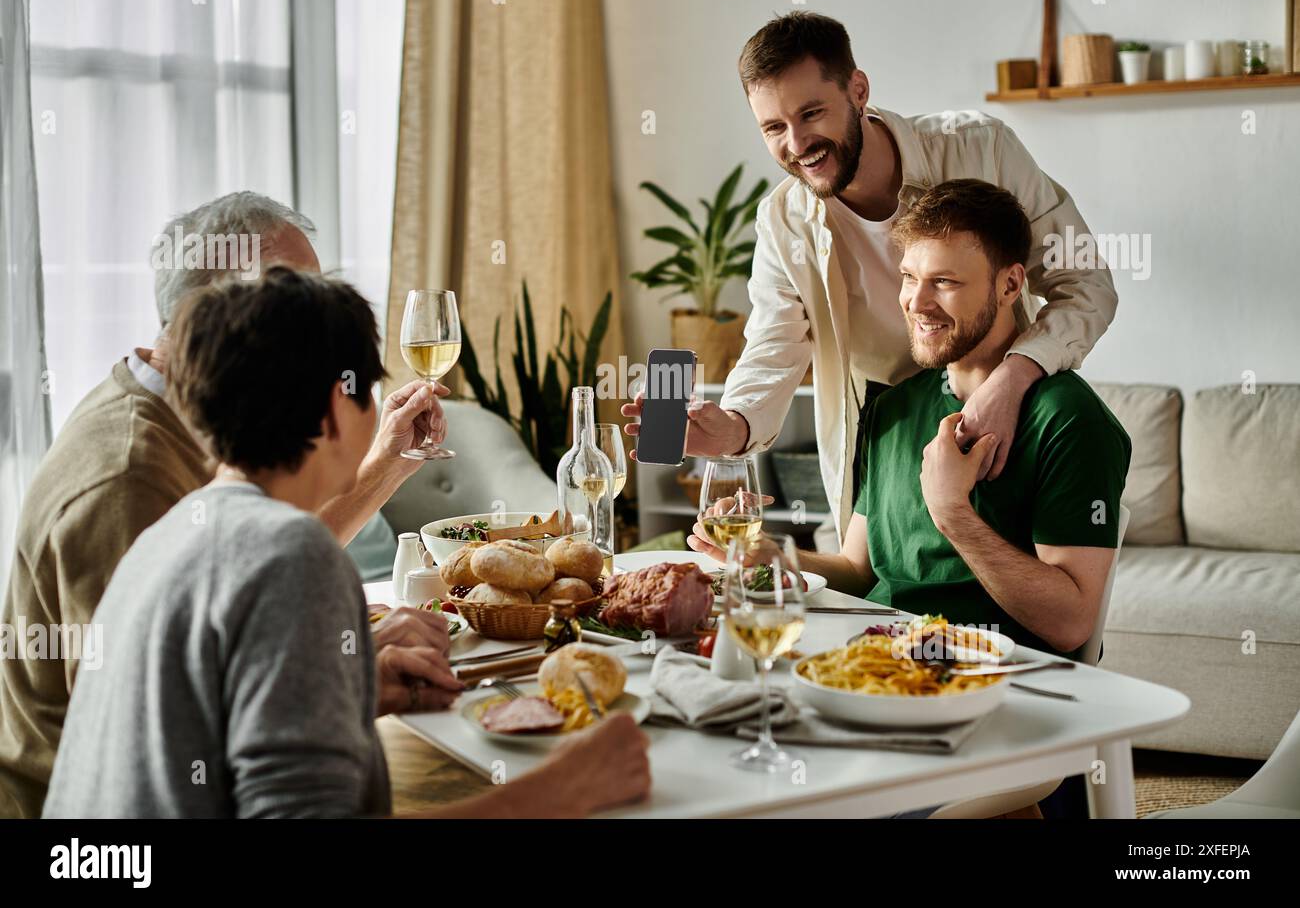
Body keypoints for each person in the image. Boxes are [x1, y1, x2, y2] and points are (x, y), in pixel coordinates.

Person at [43, 269, 651, 818]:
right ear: (337, 410)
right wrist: (564, 789)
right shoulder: (292, 553)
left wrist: (348, 690)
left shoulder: (174, 529)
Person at [0, 192, 447, 818]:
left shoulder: (202, 439)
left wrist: (382, 470)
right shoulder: (127, 476)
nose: (313, 324)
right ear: (214, 316)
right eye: (290, 296)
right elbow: (150, 728)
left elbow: (240, 588)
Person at [624, 12, 1118, 543]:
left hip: (999, 412)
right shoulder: (782, 220)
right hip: (886, 436)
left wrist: (1014, 380)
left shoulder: (981, 147)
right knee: (881, 604)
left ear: (858, 90)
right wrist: (737, 424)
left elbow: (1085, 281)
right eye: (773, 128)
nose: (797, 144)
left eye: (812, 112)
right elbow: (775, 343)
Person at [690, 179, 1131, 660]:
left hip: (988, 677)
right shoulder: (894, 406)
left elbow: (1070, 625)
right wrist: (778, 557)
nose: (916, 304)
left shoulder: (1069, 418)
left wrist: (952, 513)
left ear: (1009, 285)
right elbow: (859, 569)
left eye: (944, 282)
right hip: (872, 658)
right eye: (908, 277)